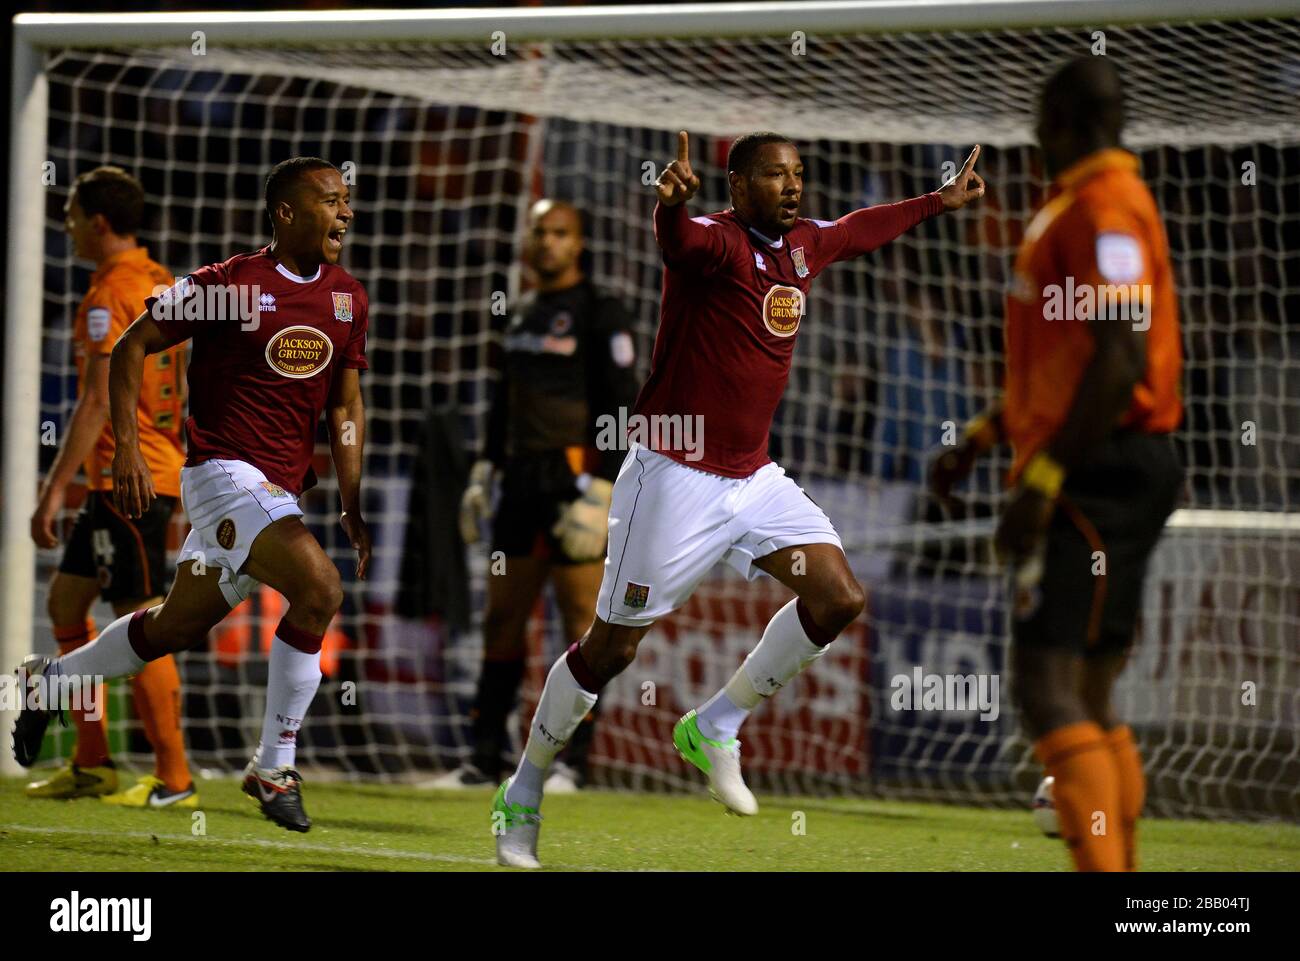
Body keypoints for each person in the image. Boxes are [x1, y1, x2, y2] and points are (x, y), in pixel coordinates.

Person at [492, 129, 985, 867]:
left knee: (839, 596)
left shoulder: (804, 246)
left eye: (799, 174)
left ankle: (715, 722)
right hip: (672, 473)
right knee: (612, 647)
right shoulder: (715, 245)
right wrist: (668, 210)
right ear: (737, 185)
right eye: (775, 176)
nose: (793, 186)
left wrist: (936, 203)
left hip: (752, 478)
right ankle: (524, 789)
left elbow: (858, 229)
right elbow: (678, 245)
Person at [13, 157, 372, 834]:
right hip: (219, 475)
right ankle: (273, 766)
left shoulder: (348, 298)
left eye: (347, 201)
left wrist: (351, 500)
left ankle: (51, 680)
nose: (345, 214)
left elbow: (346, 404)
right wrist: (124, 446)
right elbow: (130, 347)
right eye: (330, 201)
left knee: (173, 626)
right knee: (320, 589)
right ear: (287, 212)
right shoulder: (231, 285)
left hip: (276, 492)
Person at [932, 57, 1183, 871]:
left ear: (1069, 120)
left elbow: (1118, 363)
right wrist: (981, 435)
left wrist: (1039, 482)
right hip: (1103, 461)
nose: (1035, 138)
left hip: (1093, 473)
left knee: (1046, 685)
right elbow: (1067, 369)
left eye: (1042, 120)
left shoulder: (1104, 209)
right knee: (1092, 691)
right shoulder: (1076, 208)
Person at [436, 199, 639, 793]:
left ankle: (572, 762)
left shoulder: (603, 312)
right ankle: (483, 757)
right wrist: (484, 467)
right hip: (520, 483)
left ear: (578, 244)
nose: (546, 242)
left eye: (559, 233)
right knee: (503, 619)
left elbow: (623, 407)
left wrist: (604, 489)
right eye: (539, 231)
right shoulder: (520, 311)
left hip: (575, 481)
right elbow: (505, 401)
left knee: (582, 623)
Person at [26, 166, 197, 808]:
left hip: (128, 480)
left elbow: (96, 401)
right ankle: (92, 762)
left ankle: (175, 781)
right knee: (67, 607)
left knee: (138, 622)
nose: (65, 228)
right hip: (151, 471)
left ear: (97, 222)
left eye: (70, 216)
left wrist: (50, 492)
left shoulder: (108, 297)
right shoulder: (164, 285)